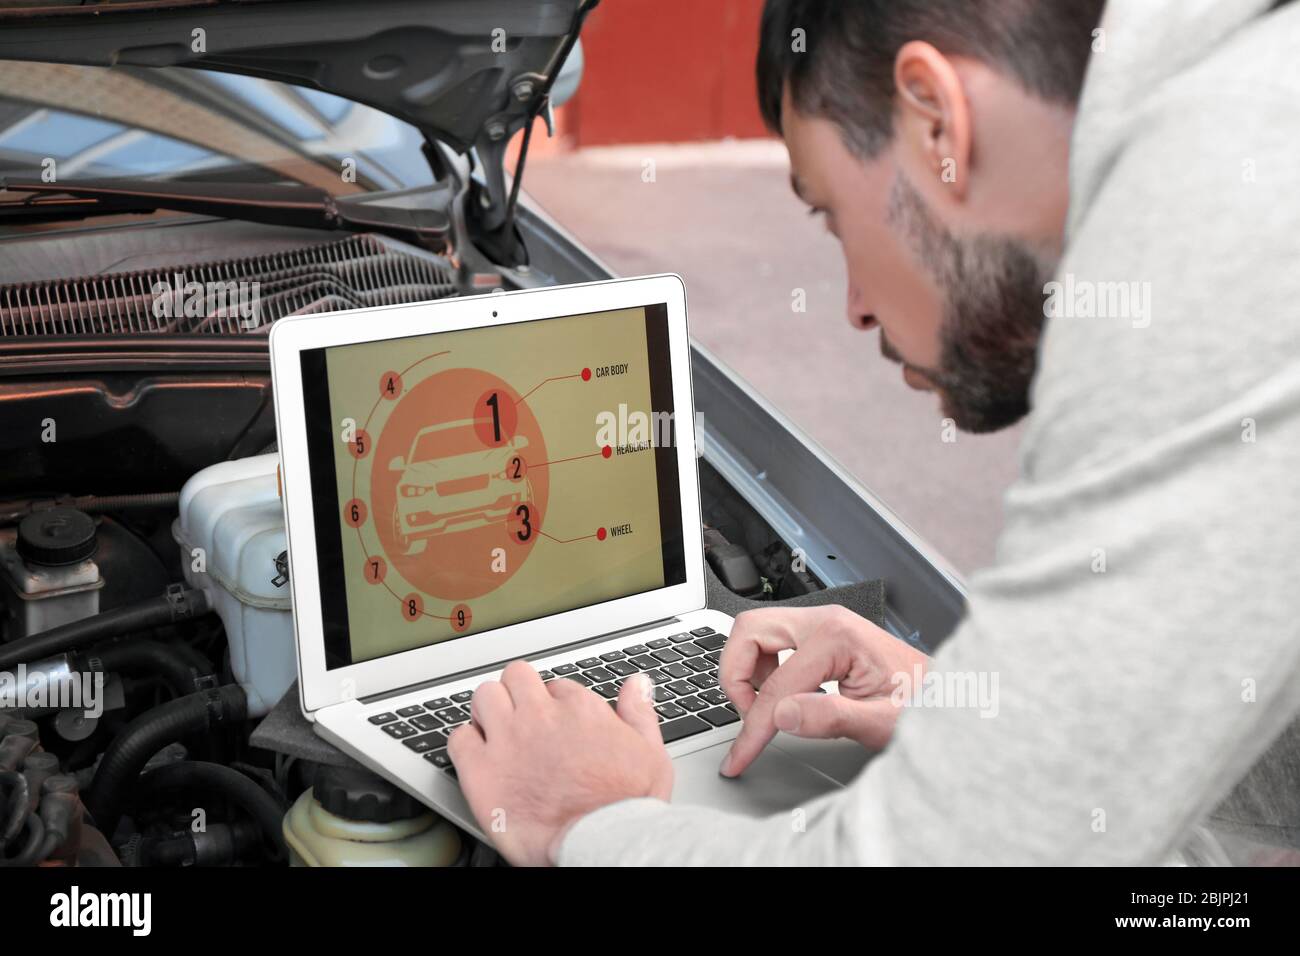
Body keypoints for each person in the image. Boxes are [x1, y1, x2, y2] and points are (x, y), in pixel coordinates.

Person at [447, 0, 1300, 865]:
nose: (854, 306)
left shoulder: (1213, 235)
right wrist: (982, 717)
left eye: (831, 214)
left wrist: (588, 821)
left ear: (935, 121)